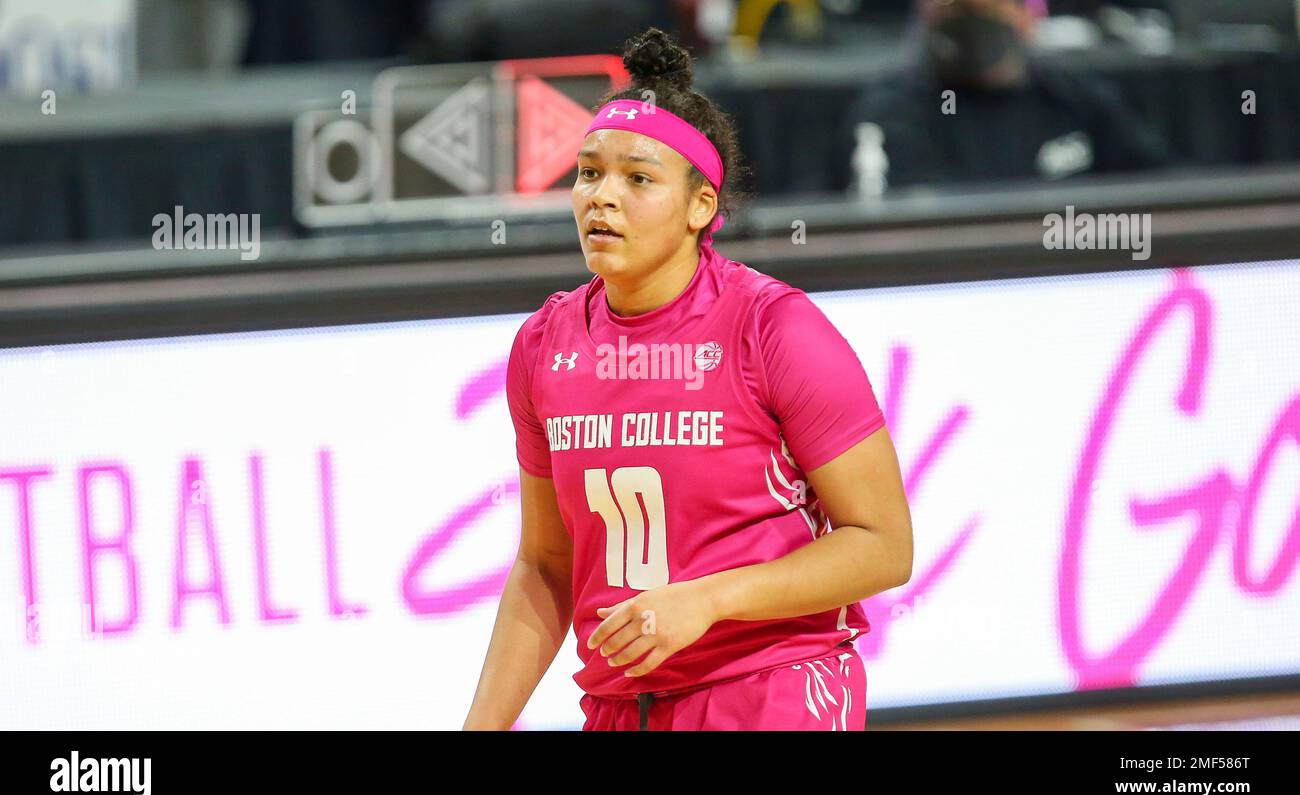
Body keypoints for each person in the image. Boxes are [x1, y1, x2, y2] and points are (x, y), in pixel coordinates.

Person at [464, 27, 913, 731]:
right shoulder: (544, 345)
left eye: (638, 178)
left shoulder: (775, 329)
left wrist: (708, 599)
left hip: (771, 687)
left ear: (701, 205)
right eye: (588, 172)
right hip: (621, 707)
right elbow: (547, 565)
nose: (601, 198)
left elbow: (883, 543)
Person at [839, 0, 1176, 191]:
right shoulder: (893, 112)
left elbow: (1164, 188)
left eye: (981, 11)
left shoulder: (1073, 97)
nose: (967, 28)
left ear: (1027, 17)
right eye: (954, 11)